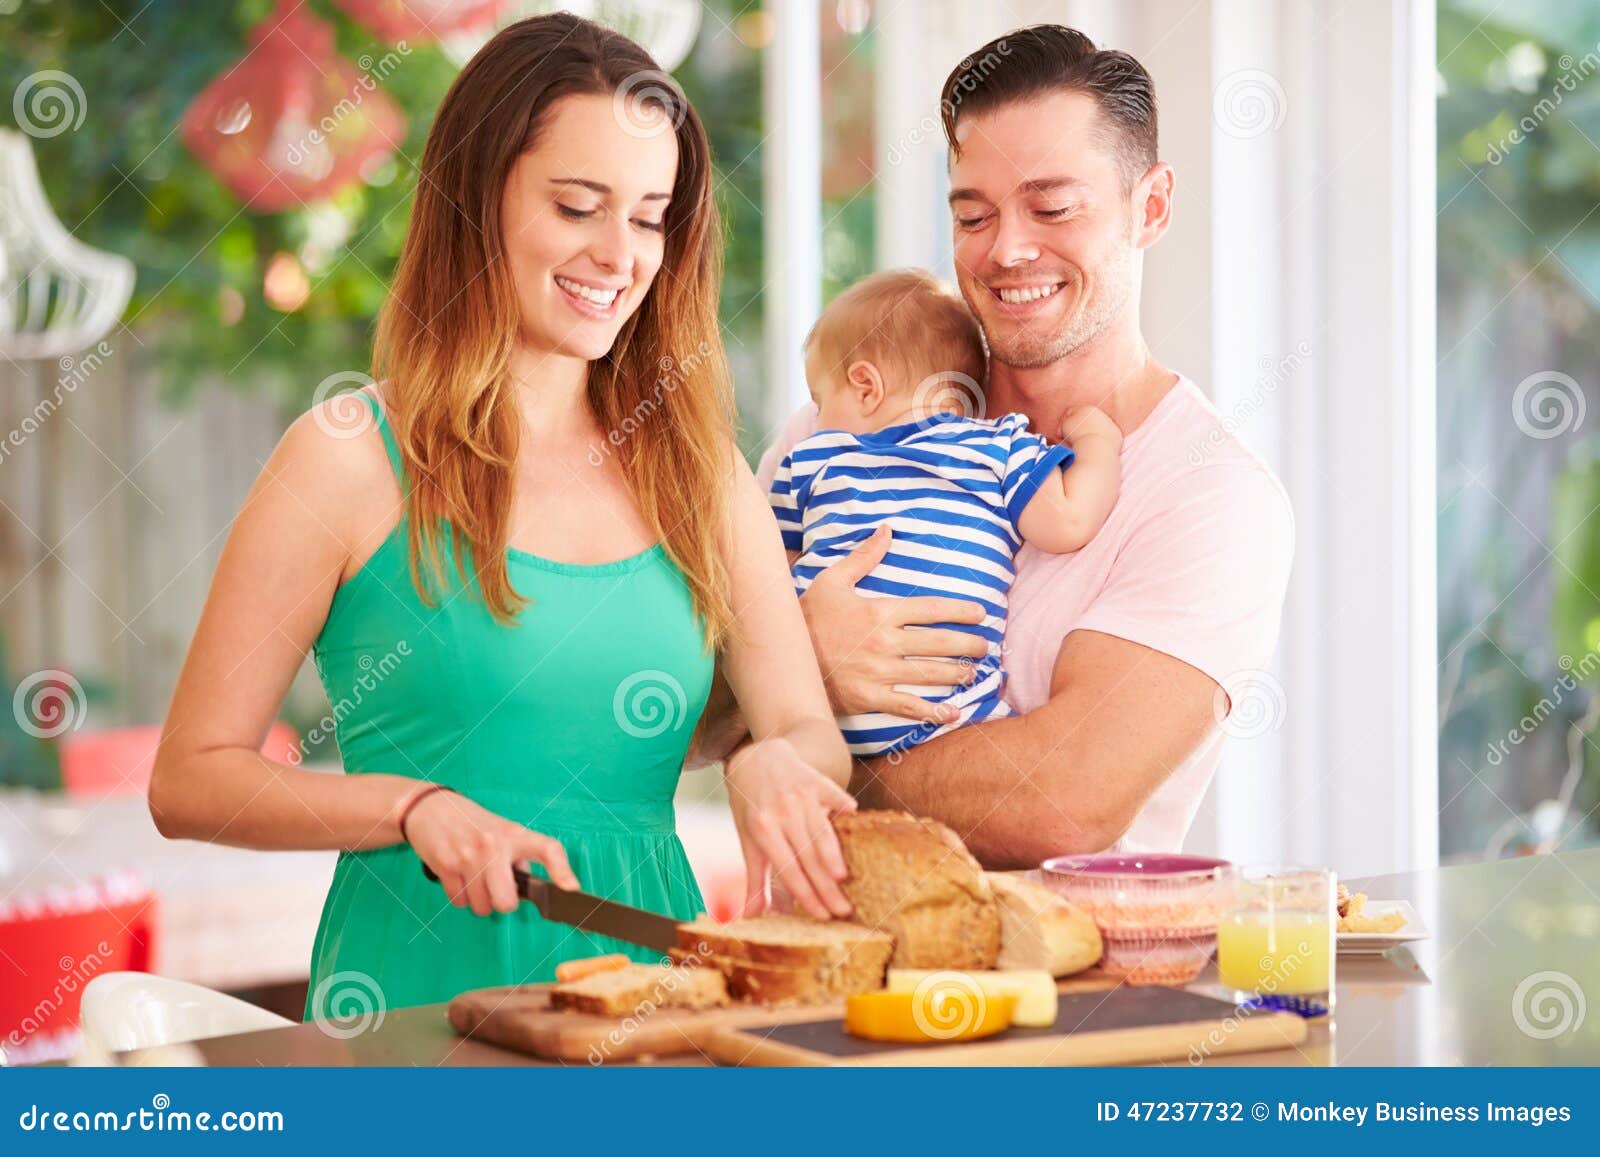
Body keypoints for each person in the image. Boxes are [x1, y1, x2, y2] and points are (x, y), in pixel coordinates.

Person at [149, 13, 855, 1019]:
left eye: (651, 216)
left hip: (656, 1018)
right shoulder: (350, 458)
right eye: (578, 205)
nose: (620, 254)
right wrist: (409, 805)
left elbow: (800, 725)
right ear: (478, 199)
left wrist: (776, 760)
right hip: (410, 1012)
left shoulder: (701, 473)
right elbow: (190, 778)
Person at [754, 25, 1295, 867]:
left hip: (1054, 995)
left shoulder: (1212, 496)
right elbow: (685, 702)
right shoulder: (841, 425)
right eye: (973, 214)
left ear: (1149, 207)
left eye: (1052, 207)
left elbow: (1062, 800)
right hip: (811, 977)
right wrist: (788, 664)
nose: (1006, 249)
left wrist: (799, 725)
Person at [768, 268, 1122, 757]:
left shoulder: (813, 458)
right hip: (952, 715)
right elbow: (1069, 522)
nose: (816, 418)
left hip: (816, 718)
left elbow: (766, 577)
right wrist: (1099, 441)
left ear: (865, 386)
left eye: (820, 399)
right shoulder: (997, 449)